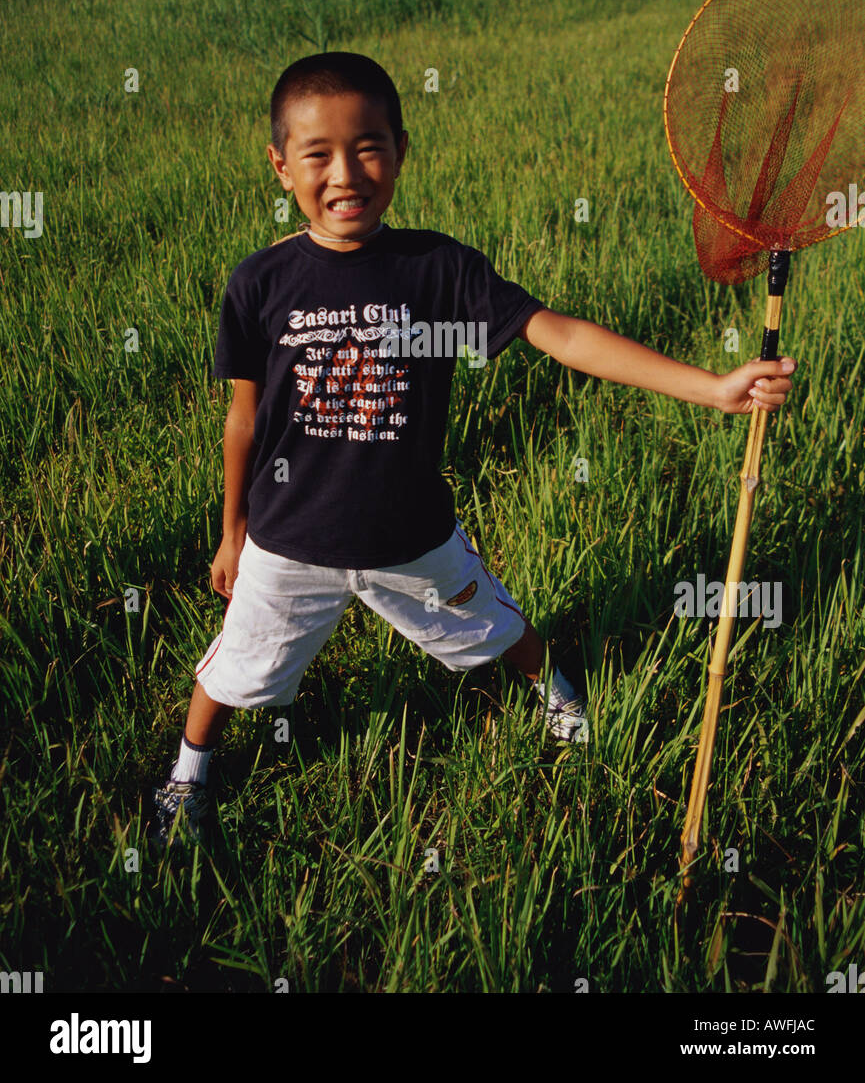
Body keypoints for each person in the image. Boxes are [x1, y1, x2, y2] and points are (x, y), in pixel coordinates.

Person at [152, 52, 797, 843]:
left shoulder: (437, 268)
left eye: (368, 146)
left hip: (412, 535)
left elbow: (557, 334)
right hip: (289, 541)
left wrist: (711, 386)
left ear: (400, 149)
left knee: (495, 629)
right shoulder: (259, 283)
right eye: (318, 154)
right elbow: (243, 420)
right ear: (281, 167)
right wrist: (232, 531)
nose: (346, 172)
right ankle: (189, 771)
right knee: (232, 671)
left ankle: (557, 692)